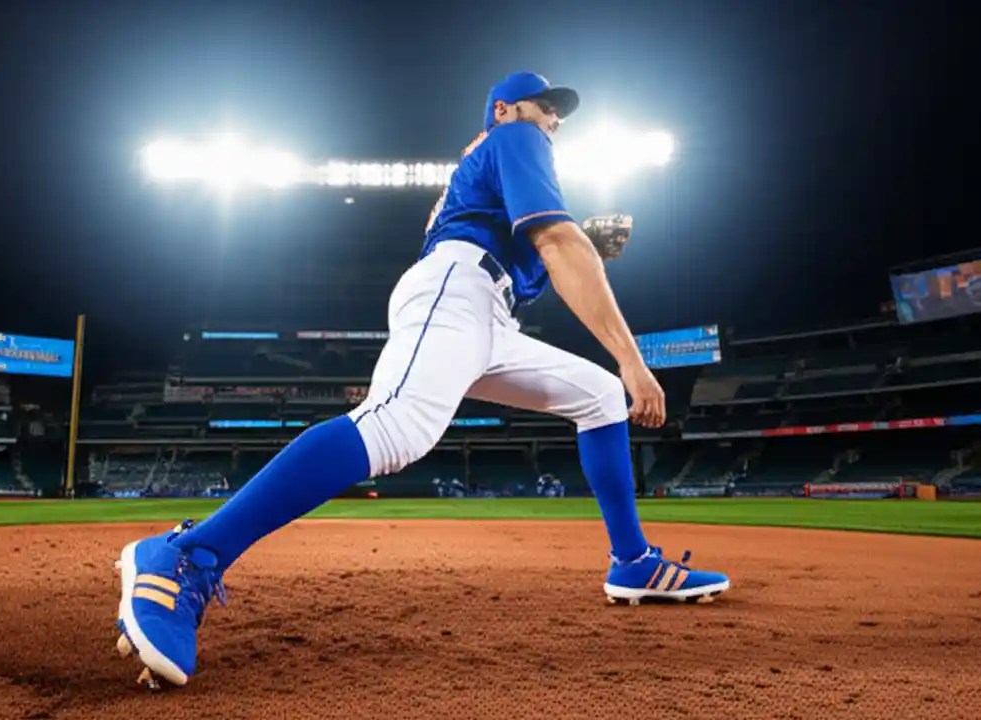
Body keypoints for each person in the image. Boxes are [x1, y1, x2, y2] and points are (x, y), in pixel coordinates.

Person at [112, 71, 730, 688]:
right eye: (544, 107)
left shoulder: (496, 157)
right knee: (396, 428)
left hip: (485, 309)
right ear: (504, 108)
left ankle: (633, 563)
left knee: (596, 397)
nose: (553, 120)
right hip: (456, 291)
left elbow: (538, 242)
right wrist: (631, 356)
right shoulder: (515, 137)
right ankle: (188, 554)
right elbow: (557, 242)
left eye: (556, 114)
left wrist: (582, 240)